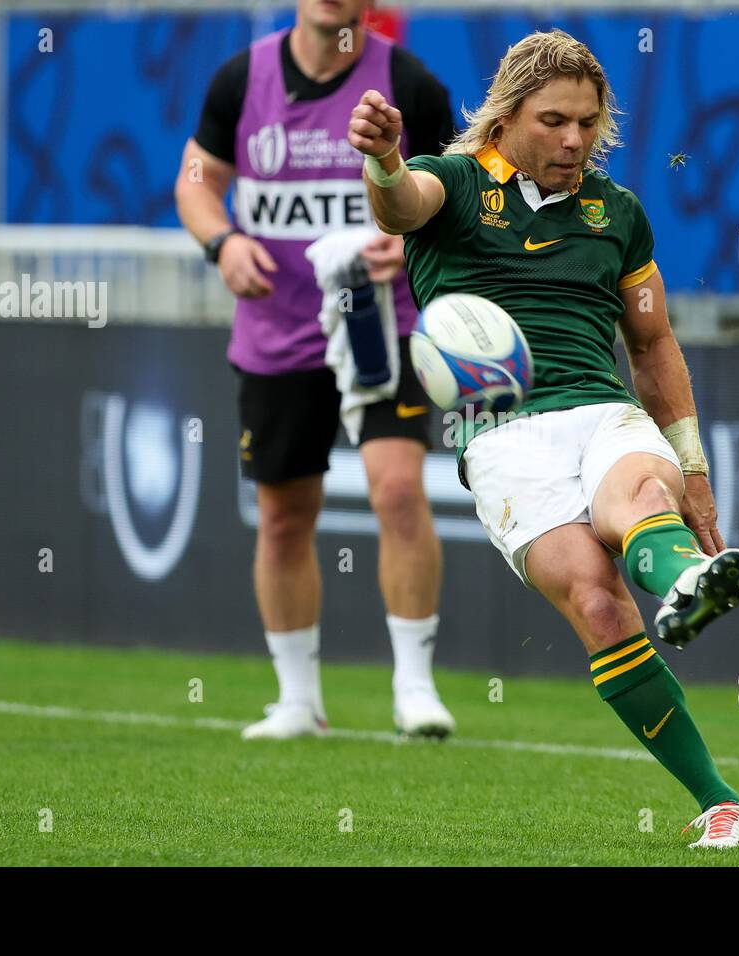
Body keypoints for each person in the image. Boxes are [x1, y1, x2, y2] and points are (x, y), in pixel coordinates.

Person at [351, 29, 739, 848]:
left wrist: (695, 466)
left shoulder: (619, 214)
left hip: (600, 409)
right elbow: (401, 207)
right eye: (553, 121)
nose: (573, 140)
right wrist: (385, 163)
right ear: (506, 118)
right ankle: (720, 801)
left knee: (642, 496)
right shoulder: (456, 181)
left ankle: (687, 582)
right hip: (501, 436)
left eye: (586, 122)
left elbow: (651, 345)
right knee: (596, 599)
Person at [175, 0, 457, 740]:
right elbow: (196, 182)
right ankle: (298, 700)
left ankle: (415, 689)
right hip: (278, 334)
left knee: (397, 490)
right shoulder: (242, 78)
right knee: (282, 516)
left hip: (380, 326)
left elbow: (457, 192)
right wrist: (223, 244)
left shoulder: (408, 82)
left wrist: (415, 238)